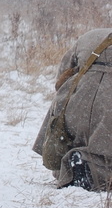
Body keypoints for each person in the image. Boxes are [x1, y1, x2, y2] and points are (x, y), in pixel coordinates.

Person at [33, 28, 112, 191]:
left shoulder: (90, 36)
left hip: (76, 103)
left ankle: (69, 167)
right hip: (108, 112)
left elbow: (61, 78)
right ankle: (94, 170)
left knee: (69, 133)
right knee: (104, 146)